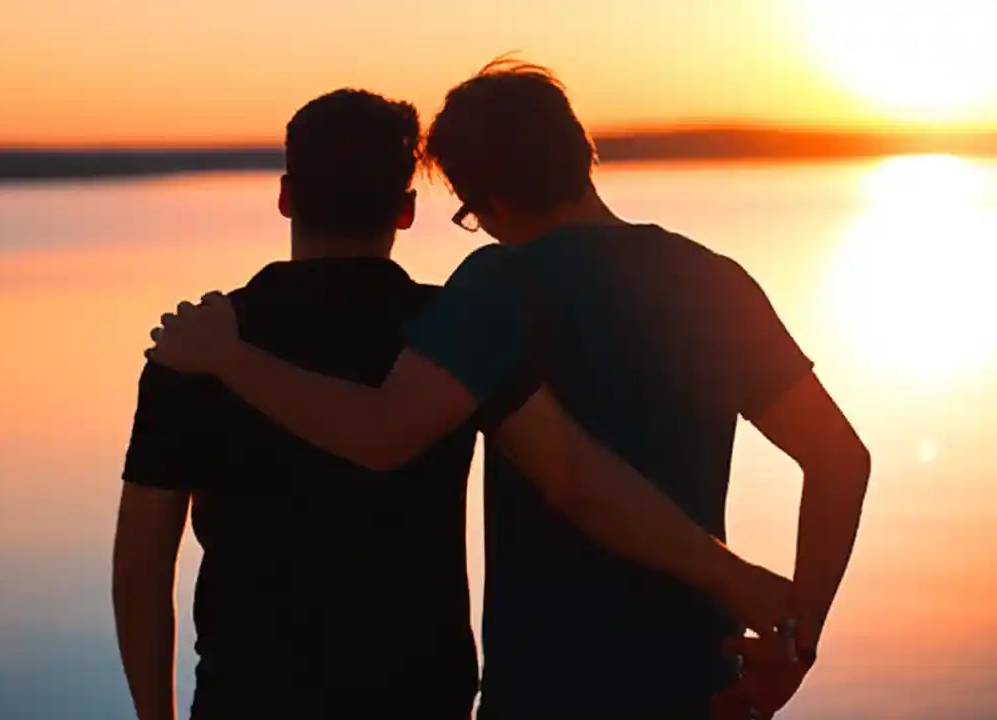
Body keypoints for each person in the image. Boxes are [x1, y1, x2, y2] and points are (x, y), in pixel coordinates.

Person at [146, 61, 871, 720]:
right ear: (580, 154)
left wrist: (228, 358)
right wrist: (795, 639)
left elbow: (381, 432)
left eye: (469, 211)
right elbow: (840, 460)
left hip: (550, 684)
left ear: (485, 199)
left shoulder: (500, 285)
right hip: (699, 679)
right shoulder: (713, 280)